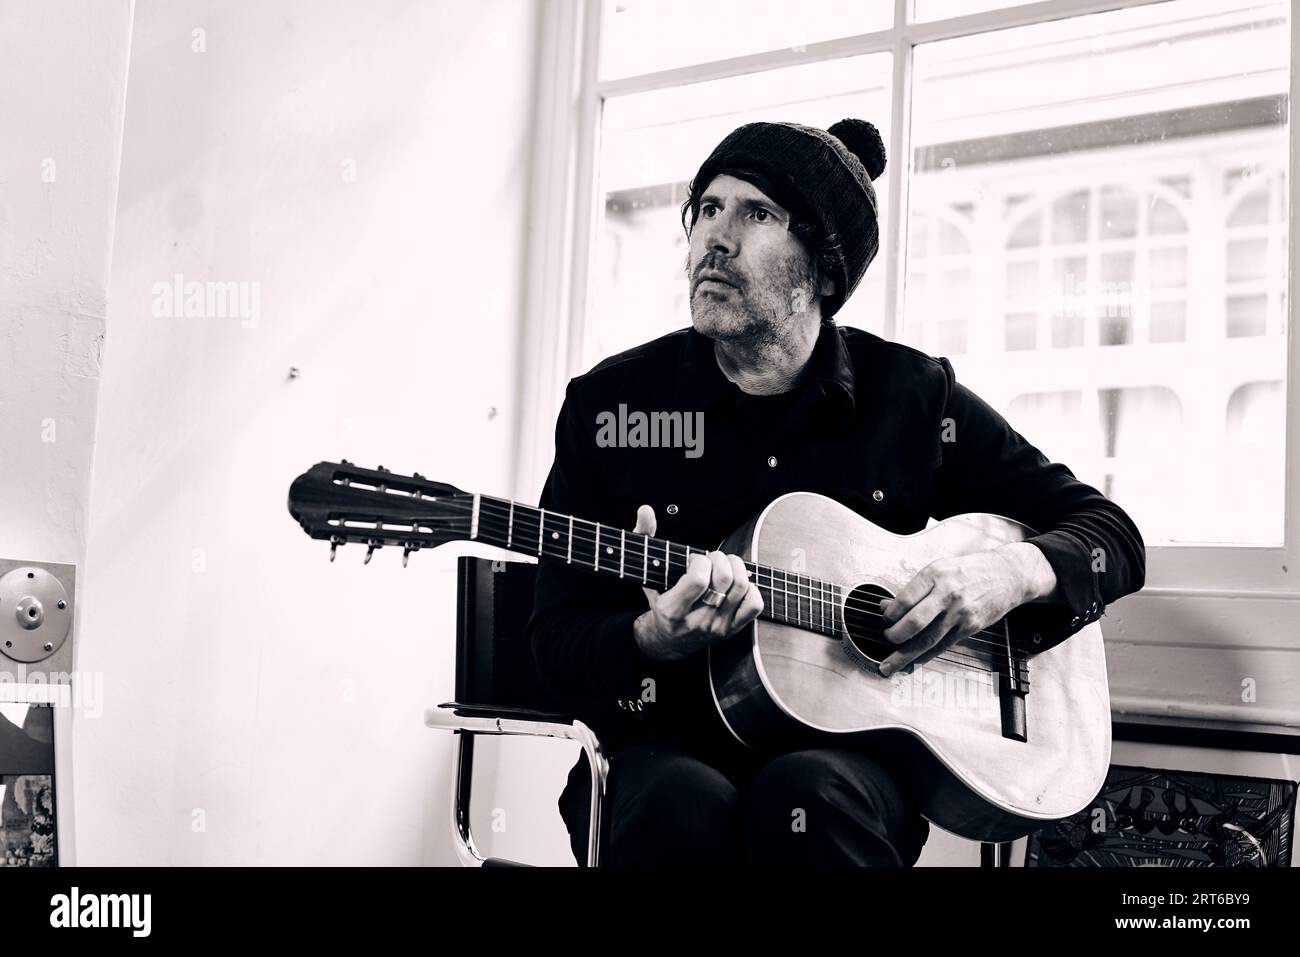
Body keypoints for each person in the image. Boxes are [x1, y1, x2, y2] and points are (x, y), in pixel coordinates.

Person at [524, 118, 1146, 867]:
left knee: (810, 796)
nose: (715, 240)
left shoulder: (913, 398)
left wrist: (1004, 574)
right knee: (679, 806)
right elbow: (550, 643)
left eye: (756, 214)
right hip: (665, 745)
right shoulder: (610, 406)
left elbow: (1111, 535)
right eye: (707, 209)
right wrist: (650, 638)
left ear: (822, 271)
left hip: (853, 762)